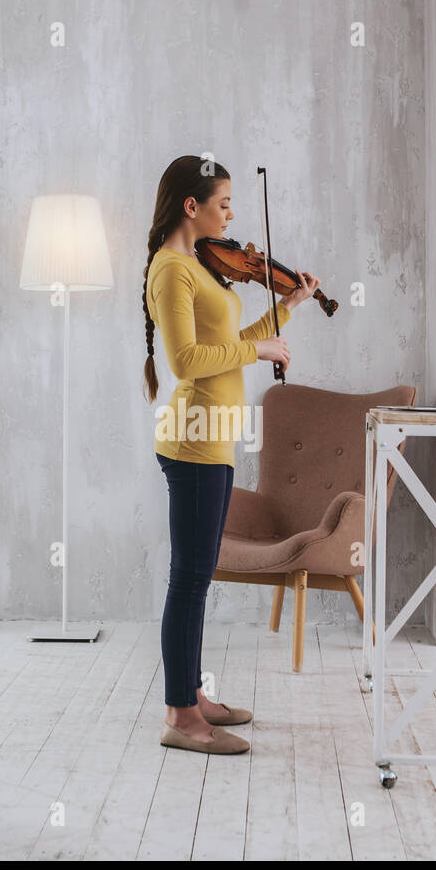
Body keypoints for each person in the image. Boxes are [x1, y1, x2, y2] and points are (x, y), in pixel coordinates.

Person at [140, 155, 319, 755]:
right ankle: (180, 717)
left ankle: (193, 693)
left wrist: (284, 313)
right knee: (188, 581)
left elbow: (234, 345)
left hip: (215, 437)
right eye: (223, 203)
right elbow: (186, 362)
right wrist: (259, 348)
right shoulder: (171, 270)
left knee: (197, 579)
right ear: (191, 207)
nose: (232, 213)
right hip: (192, 440)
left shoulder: (198, 265)